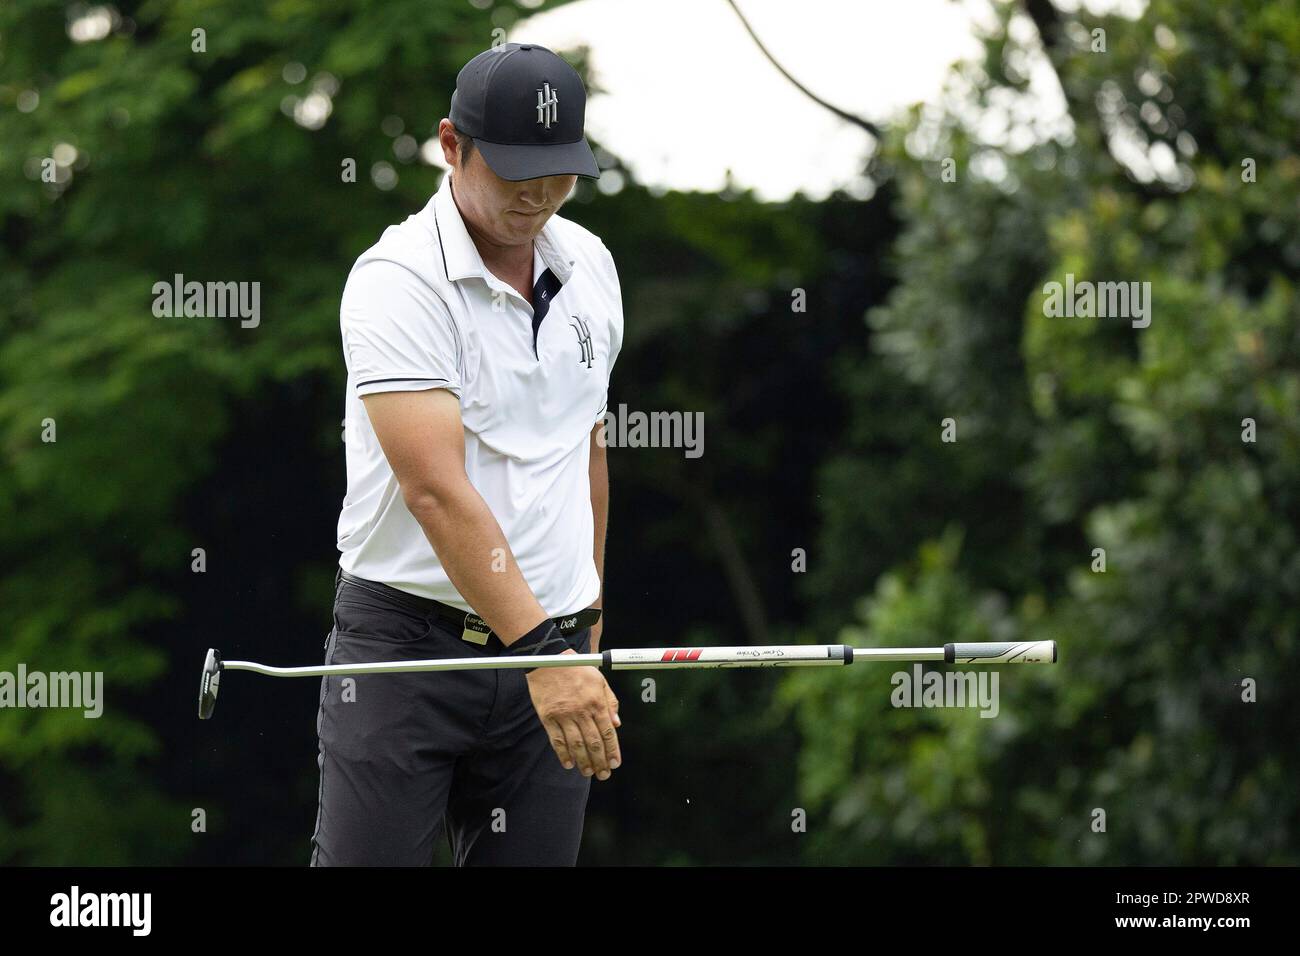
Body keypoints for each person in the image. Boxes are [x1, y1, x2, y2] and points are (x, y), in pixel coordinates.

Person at [310, 42, 624, 866]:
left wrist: (582, 623)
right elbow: (435, 491)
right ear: (452, 145)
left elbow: (582, 447)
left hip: (551, 642)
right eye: (517, 168)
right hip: (406, 649)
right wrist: (541, 654)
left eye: (559, 171)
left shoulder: (589, 264)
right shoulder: (396, 280)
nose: (539, 194)